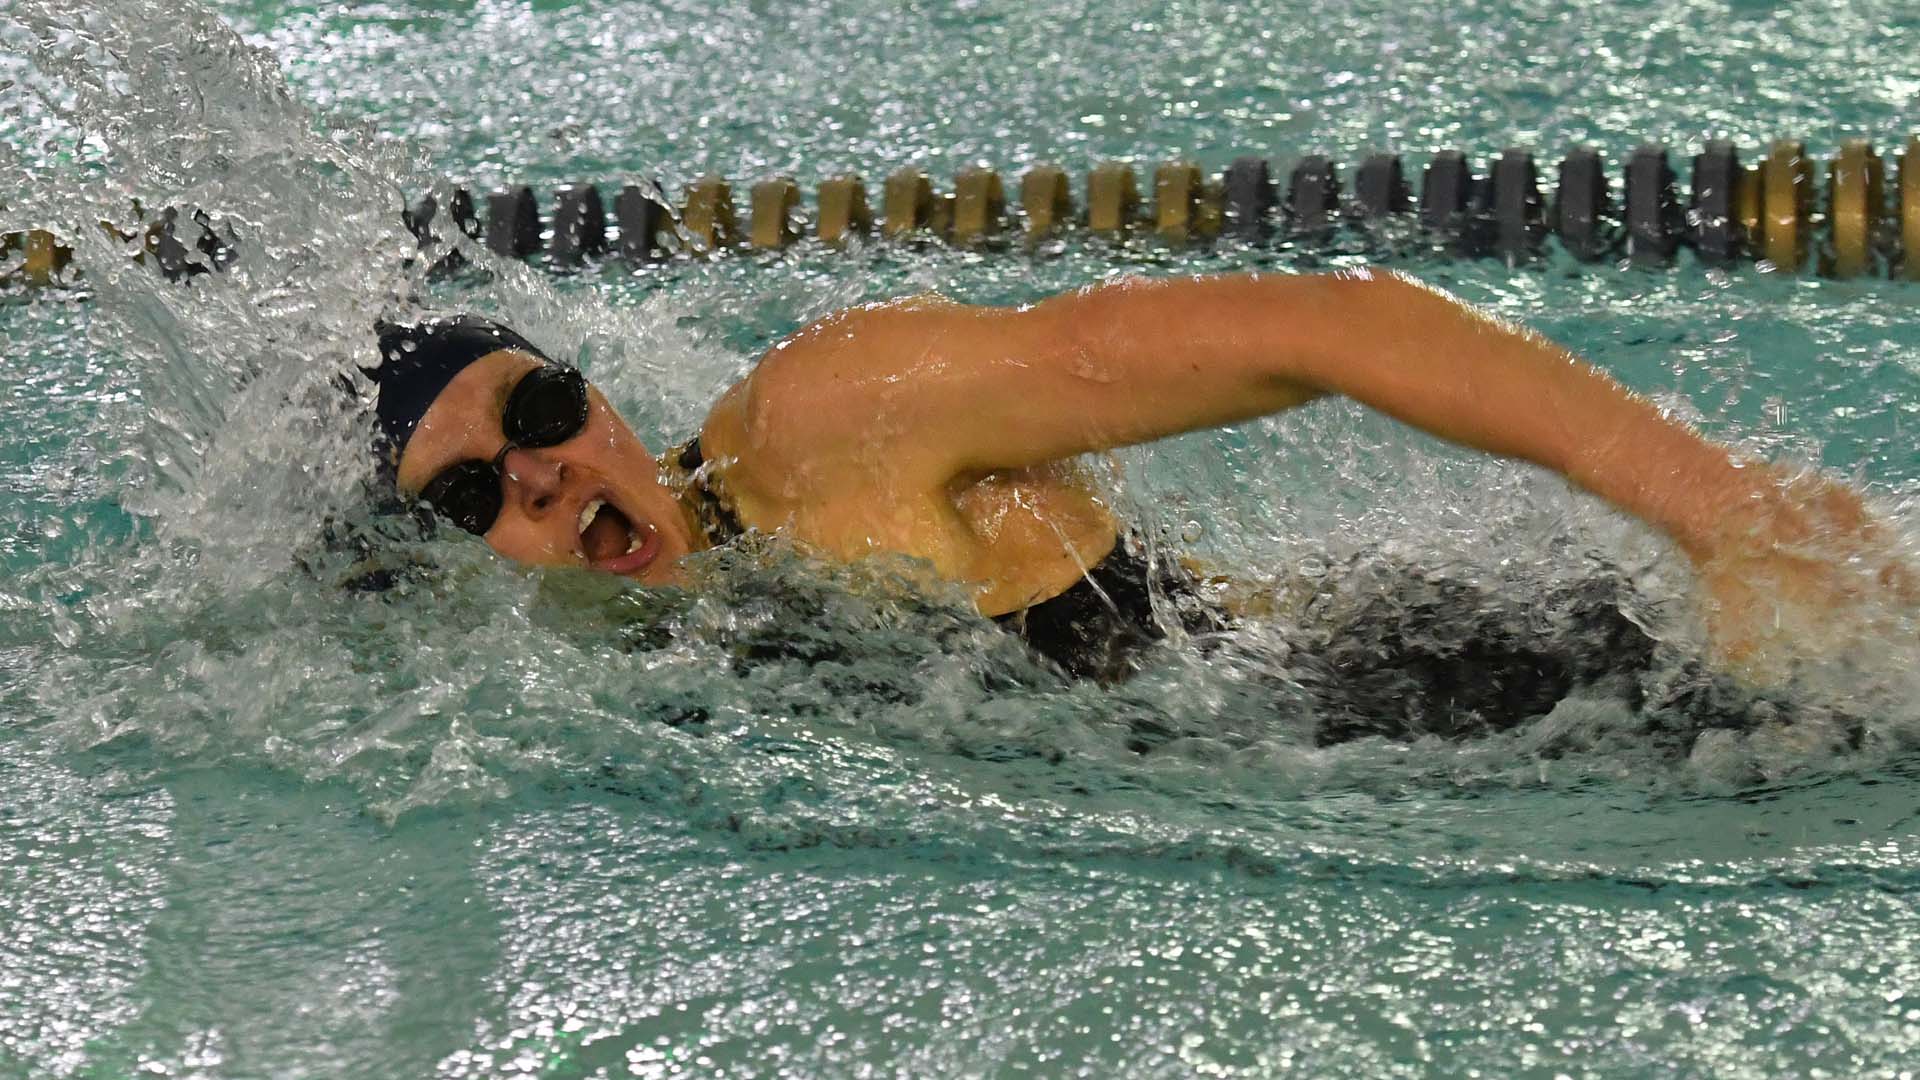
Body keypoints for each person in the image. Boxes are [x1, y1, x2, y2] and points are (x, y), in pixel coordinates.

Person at [366, 269, 1909, 738]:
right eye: (471, 498)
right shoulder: (580, 669)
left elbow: (1326, 324)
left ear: (601, 395)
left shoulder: (826, 426)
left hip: (1520, 689)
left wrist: (1718, 509)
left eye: (545, 410)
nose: (547, 471)